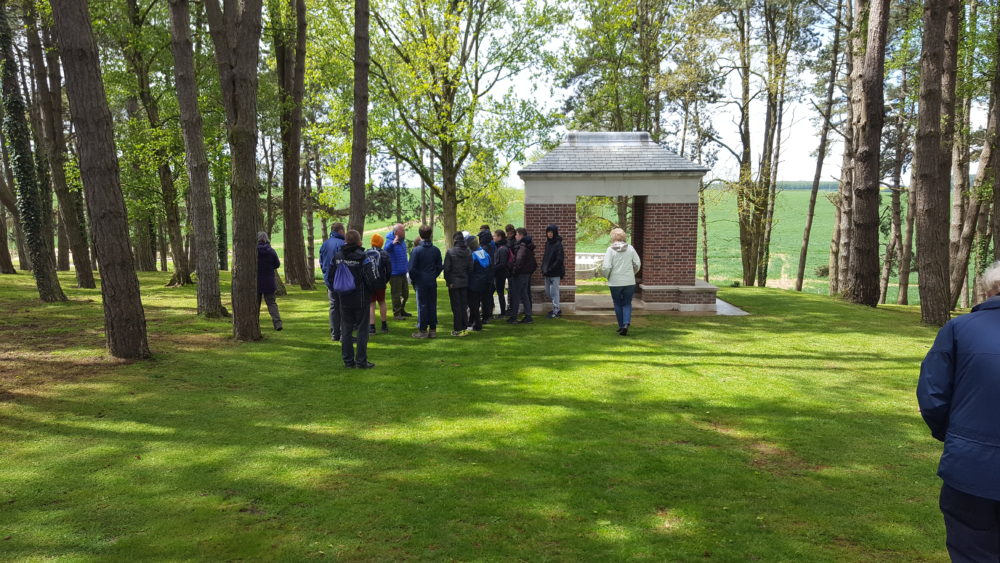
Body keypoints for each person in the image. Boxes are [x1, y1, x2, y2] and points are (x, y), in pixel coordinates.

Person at [918, 261, 1000, 562]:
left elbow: (932, 396)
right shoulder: (958, 330)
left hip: (970, 465)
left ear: (989, 291)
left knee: (972, 549)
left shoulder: (958, 329)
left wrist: (954, 437)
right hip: (970, 459)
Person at [333, 230, 373, 368]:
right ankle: (361, 361)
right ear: (358, 241)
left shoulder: (338, 256)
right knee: (362, 330)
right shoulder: (363, 257)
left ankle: (348, 361)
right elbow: (370, 278)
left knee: (346, 329)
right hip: (360, 298)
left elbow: (332, 275)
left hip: (343, 298)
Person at [600, 228, 641, 336]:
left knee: (617, 303)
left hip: (615, 282)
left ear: (613, 237)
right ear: (623, 237)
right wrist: (633, 273)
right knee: (627, 303)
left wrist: (607, 276)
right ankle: (626, 323)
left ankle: (621, 325)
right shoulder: (631, 248)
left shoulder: (610, 250)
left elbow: (606, 267)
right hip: (629, 281)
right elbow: (637, 263)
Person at [408, 225, 443, 338]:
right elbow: (439, 266)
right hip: (431, 280)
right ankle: (432, 330)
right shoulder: (435, 250)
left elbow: (412, 268)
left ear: (420, 235)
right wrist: (433, 275)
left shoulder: (416, 250)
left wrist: (416, 279)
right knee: (432, 304)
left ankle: (423, 330)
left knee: (422, 305)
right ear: (430, 234)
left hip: (421, 281)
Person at [319, 222, 346, 341]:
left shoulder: (325, 244)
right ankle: (343, 333)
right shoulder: (342, 244)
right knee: (343, 306)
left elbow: (321, 262)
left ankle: (335, 333)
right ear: (341, 231)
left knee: (334, 306)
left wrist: (326, 274)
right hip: (341, 279)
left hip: (329, 279)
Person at [443, 232, 473, 337]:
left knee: (456, 307)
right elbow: (470, 268)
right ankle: (464, 328)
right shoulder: (468, 252)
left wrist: (449, 282)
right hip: (465, 282)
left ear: (454, 240)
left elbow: (446, 269)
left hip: (454, 283)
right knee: (463, 306)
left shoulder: (450, 252)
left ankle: (458, 329)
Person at [507, 227, 536, 324]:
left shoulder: (522, 248)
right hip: (526, 274)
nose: (515, 236)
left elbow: (519, 262)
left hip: (520, 275)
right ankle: (528, 316)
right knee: (524, 294)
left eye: (517, 234)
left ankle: (513, 317)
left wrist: (514, 272)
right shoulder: (528, 246)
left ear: (521, 235)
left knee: (516, 295)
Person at [383, 223, 412, 320]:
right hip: (394, 274)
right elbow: (385, 251)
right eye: (402, 230)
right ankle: (397, 314)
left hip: (403, 272)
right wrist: (392, 243)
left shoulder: (402, 241)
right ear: (396, 232)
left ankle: (402, 310)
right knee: (396, 294)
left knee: (405, 294)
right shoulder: (390, 241)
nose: (404, 232)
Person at [256, 232, 282, 331]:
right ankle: (277, 323)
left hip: (256, 281)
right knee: (271, 303)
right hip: (269, 280)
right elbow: (277, 264)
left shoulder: (254, 251)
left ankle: (255, 323)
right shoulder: (271, 251)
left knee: (255, 304)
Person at [367, 233, 392, 335]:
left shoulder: (366, 253)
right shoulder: (385, 254)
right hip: (380, 282)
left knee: (371, 304)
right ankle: (384, 325)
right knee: (382, 302)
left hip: (370, 283)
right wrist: (385, 280)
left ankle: (372, 327)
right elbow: (389, 270)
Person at [468, 235, 493, 331]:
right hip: (486, 281)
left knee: (474, 304)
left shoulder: (473, 255)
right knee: (485, 301)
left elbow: (470, 269)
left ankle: (475, 322)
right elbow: (490, 266)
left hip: (475, 282)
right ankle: (485, 318)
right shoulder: (485, 253)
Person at [541, 223, 565, 319]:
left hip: (555, 272)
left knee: (554, 292)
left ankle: (556, 310)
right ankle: (555, 308)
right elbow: (545, 257)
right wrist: (543, 267)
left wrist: (550, 268)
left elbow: (559, 260)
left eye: (551, 232)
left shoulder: (558, 244)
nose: (549, 234)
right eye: (548, 232)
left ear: (555, 233)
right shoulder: (548, 243)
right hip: (547, 272)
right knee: (548, 292)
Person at [477, 229, 497, 322]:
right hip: (490, 274)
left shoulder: (483, 249)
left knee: (485, 297)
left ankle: (486, 316)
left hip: (485, 275)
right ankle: (488, 315)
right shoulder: (491, 246)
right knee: (488, 296)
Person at [492, 229, 511, 318]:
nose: (493, 237)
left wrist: (492, 269)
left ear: (499, 237)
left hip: (500, 274)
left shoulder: (502, 248)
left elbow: (502, 263)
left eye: (495, 236)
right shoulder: (499, 247)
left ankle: (503, 312)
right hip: (498, 273)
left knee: (500, 293)